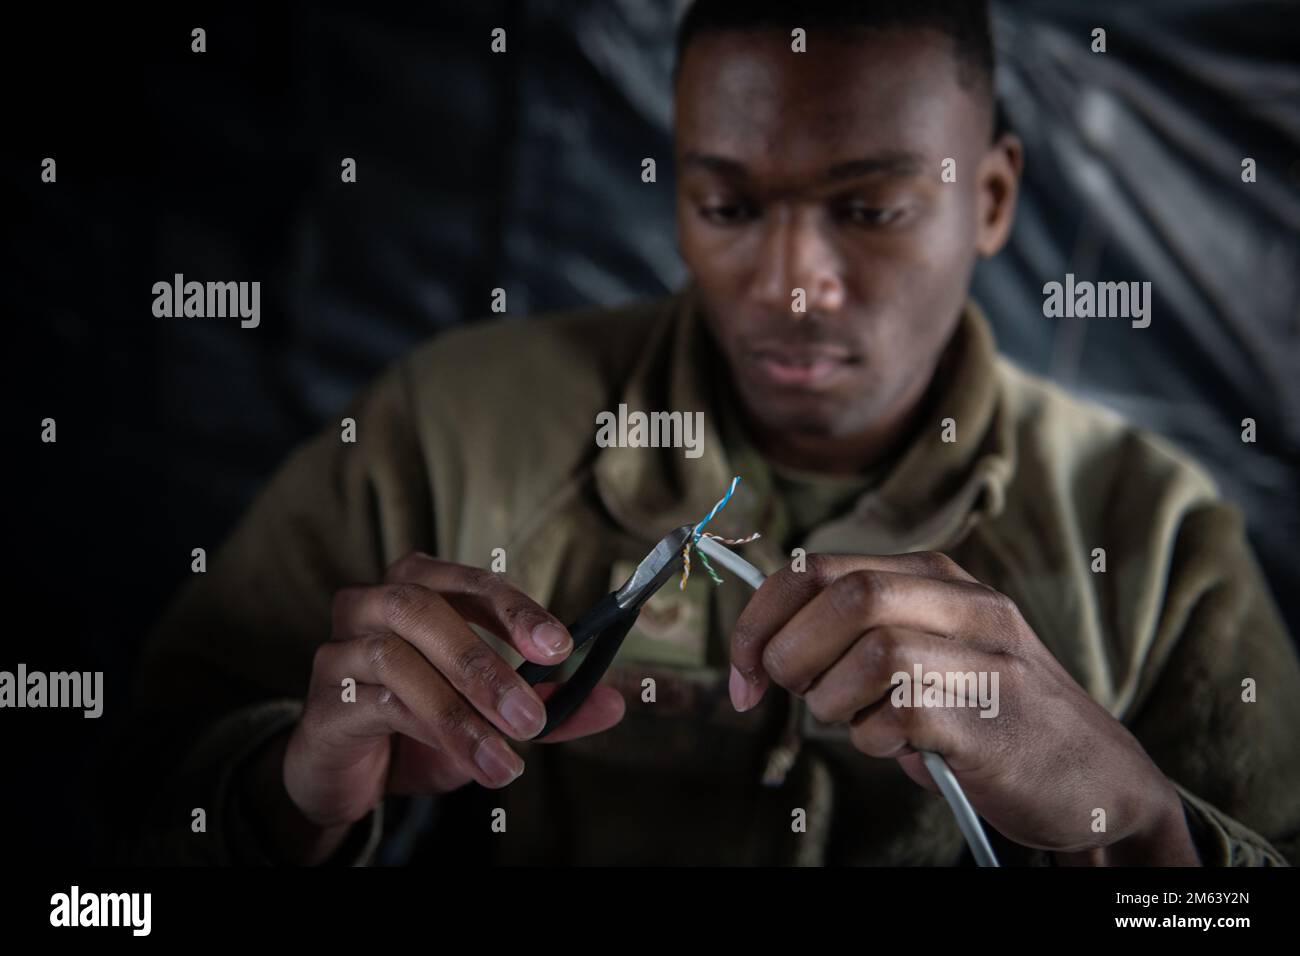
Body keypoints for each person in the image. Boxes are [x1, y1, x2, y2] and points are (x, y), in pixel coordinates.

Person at [125, 0, 1299, 866]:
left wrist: (1141, 820)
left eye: (870, 208)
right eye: (728, 206)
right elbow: (129, 828)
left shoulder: (1151, 537)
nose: (791, 284)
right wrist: (288, 799)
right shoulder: (452, 425)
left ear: (989, 199)